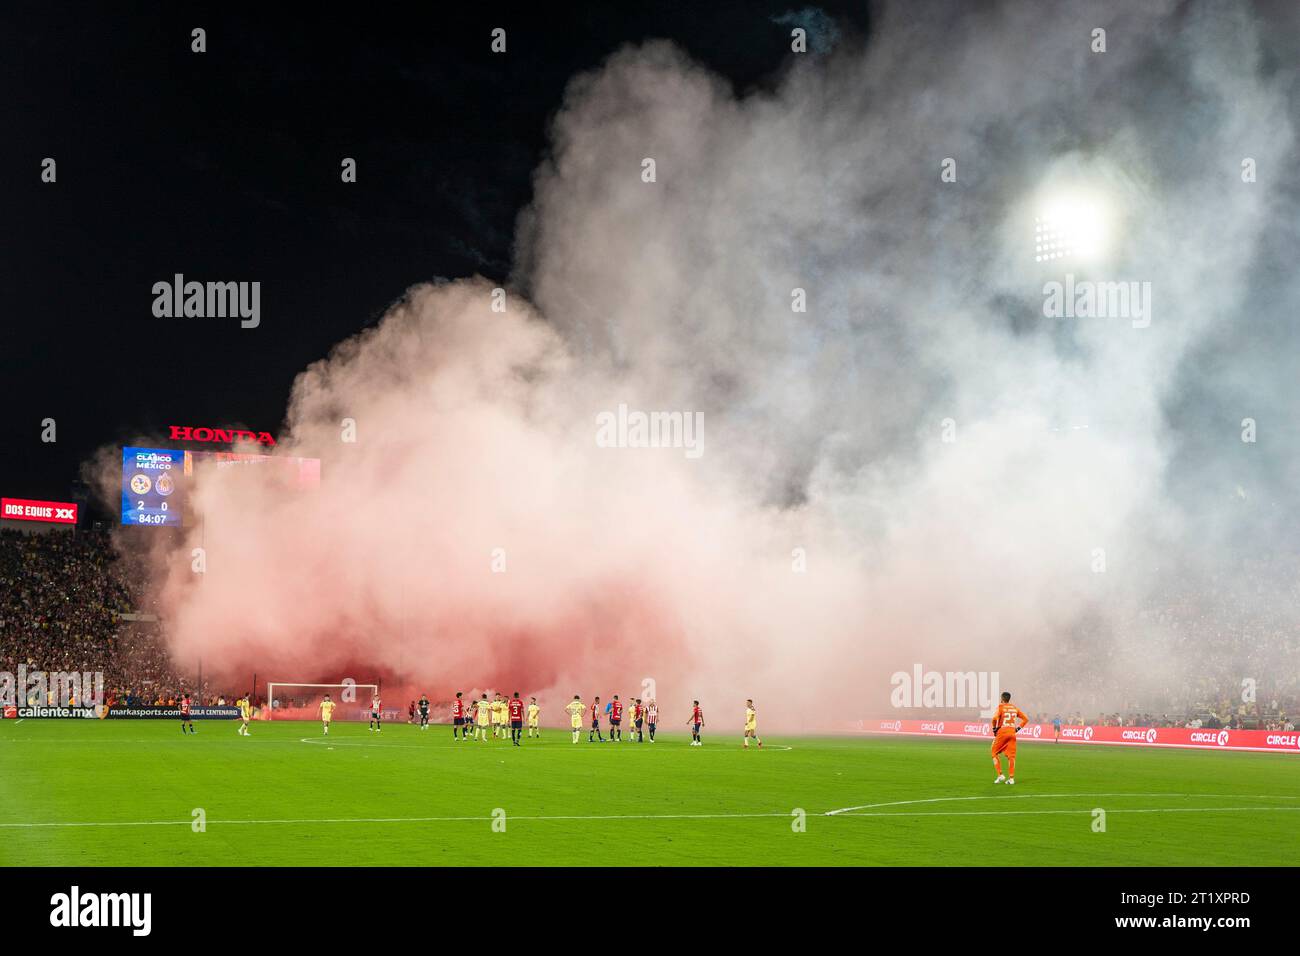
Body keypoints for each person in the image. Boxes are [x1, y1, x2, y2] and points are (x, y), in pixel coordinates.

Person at [991, 691, 1029, 785]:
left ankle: (1000, 775)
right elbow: (1026, 719)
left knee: (994, 752)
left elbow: (994, 719)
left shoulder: (1000, 707)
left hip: (1002, 732)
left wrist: (994, 728)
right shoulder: (1014, 708)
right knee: (1011, 756)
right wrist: (1018, 729)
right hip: (1012, 733)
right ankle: (1011, 779)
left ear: (1002, 699)